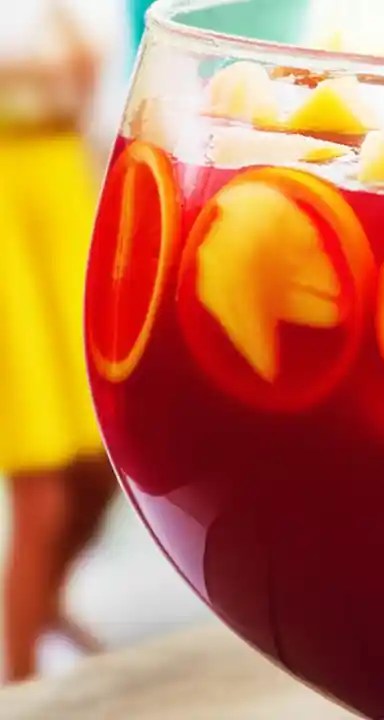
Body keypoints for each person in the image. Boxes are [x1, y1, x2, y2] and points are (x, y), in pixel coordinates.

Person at [0, 0, 120, 683]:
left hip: (66, 191)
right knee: (40, 486)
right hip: (6, 201)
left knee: (102, 465)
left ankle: (45, 606)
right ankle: (19, 680)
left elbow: (98, 92)